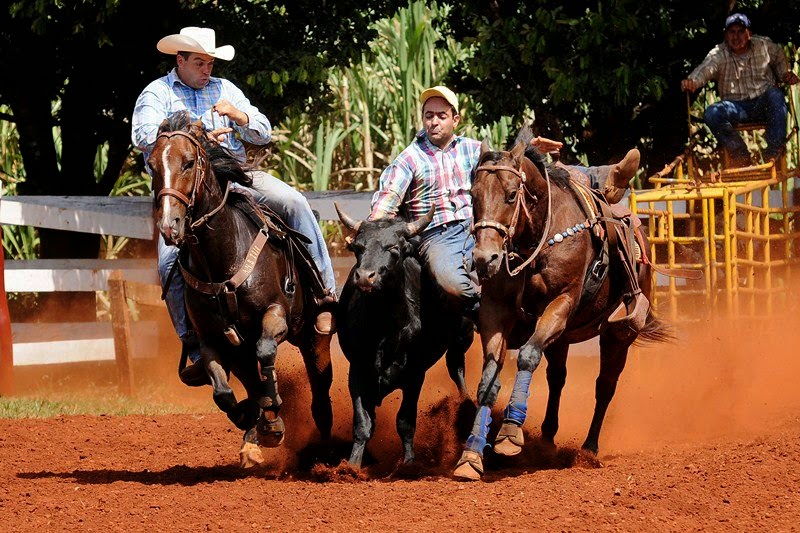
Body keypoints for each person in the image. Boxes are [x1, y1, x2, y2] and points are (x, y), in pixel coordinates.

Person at [131, 27, 337, 386]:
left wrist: (239, 118)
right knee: (167, 262)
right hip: (188, 192)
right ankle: (194, 343)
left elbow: (263, 131)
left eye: (210, 62)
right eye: (199, 62)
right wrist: (195, 135)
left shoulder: (226, 91)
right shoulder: (157, 93)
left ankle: (324, 297)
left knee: (295, 202)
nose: (207, 69)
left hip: (239, 175)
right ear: (180, 60)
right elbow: (145, 136)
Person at [369, 85, 640, 321]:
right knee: (453, 284)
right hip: (438, 236)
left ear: (455, 119)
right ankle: (485, 315)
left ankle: (605, 176)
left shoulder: (473, 149)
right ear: (423, 120)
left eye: (442, 116)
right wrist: (372, 227)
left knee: (544, 177)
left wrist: (529, 148)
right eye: (429, 116)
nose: (435, 122)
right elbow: (387, 200)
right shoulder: (409, 159)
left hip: (480, 228)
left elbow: (506, 167)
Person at [680, 13, 799, 167]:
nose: (736, 37)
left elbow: (779, 56)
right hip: (735, 107)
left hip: (763, 102)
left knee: (776, 95)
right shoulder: (719, 53)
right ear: (725, 35)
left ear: (749, 33)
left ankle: (773, 154)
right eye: (732, 32)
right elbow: (705, 69)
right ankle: (740, 154)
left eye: (741, 31)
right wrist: (693, 81)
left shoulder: (763, 45)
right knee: (712, 112)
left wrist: (784, 73)